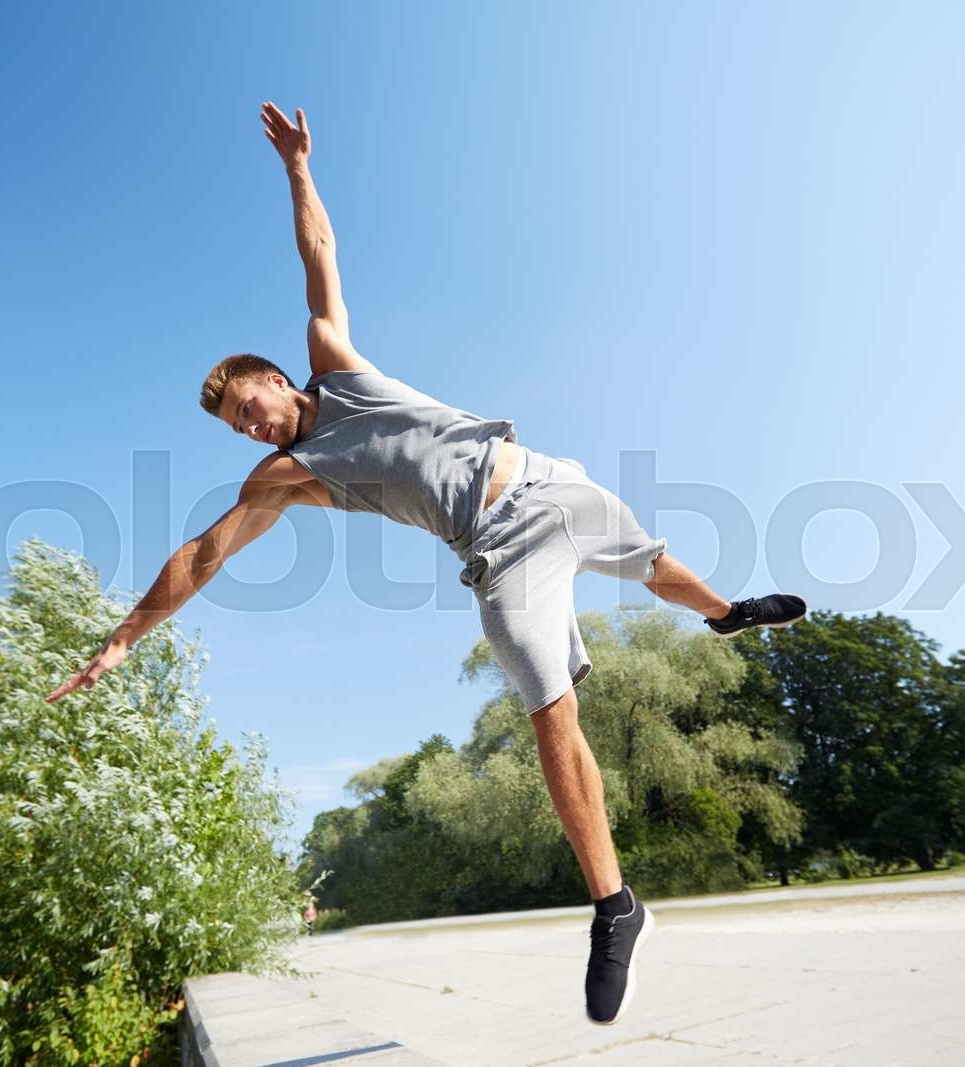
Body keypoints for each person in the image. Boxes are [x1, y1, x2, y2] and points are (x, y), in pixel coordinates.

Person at [47, 101, 807, 1026]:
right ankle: (616, 905)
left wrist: (297, 168)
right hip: (497, 554)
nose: (251, 425)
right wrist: (126, 636)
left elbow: (319, 256)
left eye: (251, 404)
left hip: (545, 484)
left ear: (280, 379)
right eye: (238, 424)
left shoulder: (336, 363)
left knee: (653, 564)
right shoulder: (284, 478)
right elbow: (204, 553)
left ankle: (728, 615)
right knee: (548, 711)